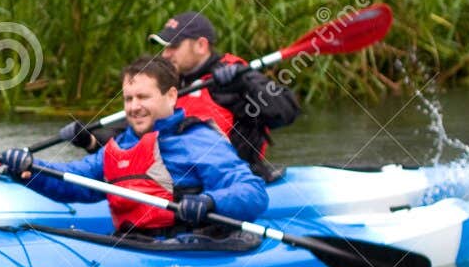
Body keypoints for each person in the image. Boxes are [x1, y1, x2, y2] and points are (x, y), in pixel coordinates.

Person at [2, 56, 268, 238]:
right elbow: (74, 180)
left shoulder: (197, 140)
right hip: (133, 245)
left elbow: (253, 192)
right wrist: (28, 169)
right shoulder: (121, 145)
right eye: (128, 99)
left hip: (190, 248)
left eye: (143, 97)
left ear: (171, 96)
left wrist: (211, 201)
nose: (133, 107)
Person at [54, 10, 299, 183]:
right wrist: (91, 139)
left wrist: (246, 82)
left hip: (231, 180)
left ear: (201, 45)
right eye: (164, 46)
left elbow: (286, 112)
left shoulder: (235, 80)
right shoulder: (169, 81)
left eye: (173, 46)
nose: (166, 54)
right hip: (176, 179)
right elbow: (134, 138)